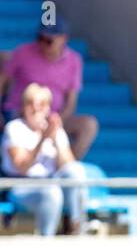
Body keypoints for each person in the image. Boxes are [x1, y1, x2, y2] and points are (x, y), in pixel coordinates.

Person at [0, 20, 98, 160]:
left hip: (53, 115)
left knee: (89, 125)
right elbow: (2, 80)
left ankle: (66, 170)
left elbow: (71, 101)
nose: (43, 44)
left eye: (49, 40)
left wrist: (57, 122)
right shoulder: (22, 52)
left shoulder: (74, 60)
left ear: (63, 39)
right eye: (40, 38)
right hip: (23, 113)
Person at [2, 83, 88, 236]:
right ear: (23, 107)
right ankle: (47, 241)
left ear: (48, 108)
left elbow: (69, 166)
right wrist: (42, 140)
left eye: (41, 104)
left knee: (76, 171)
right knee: (51, 191)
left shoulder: (54, 129)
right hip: (20, 186)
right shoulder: (14, 128)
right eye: (30, 103)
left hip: (50, 181)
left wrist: (55, 139)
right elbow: (21, 166)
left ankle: (76, 227)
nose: (36, 108)